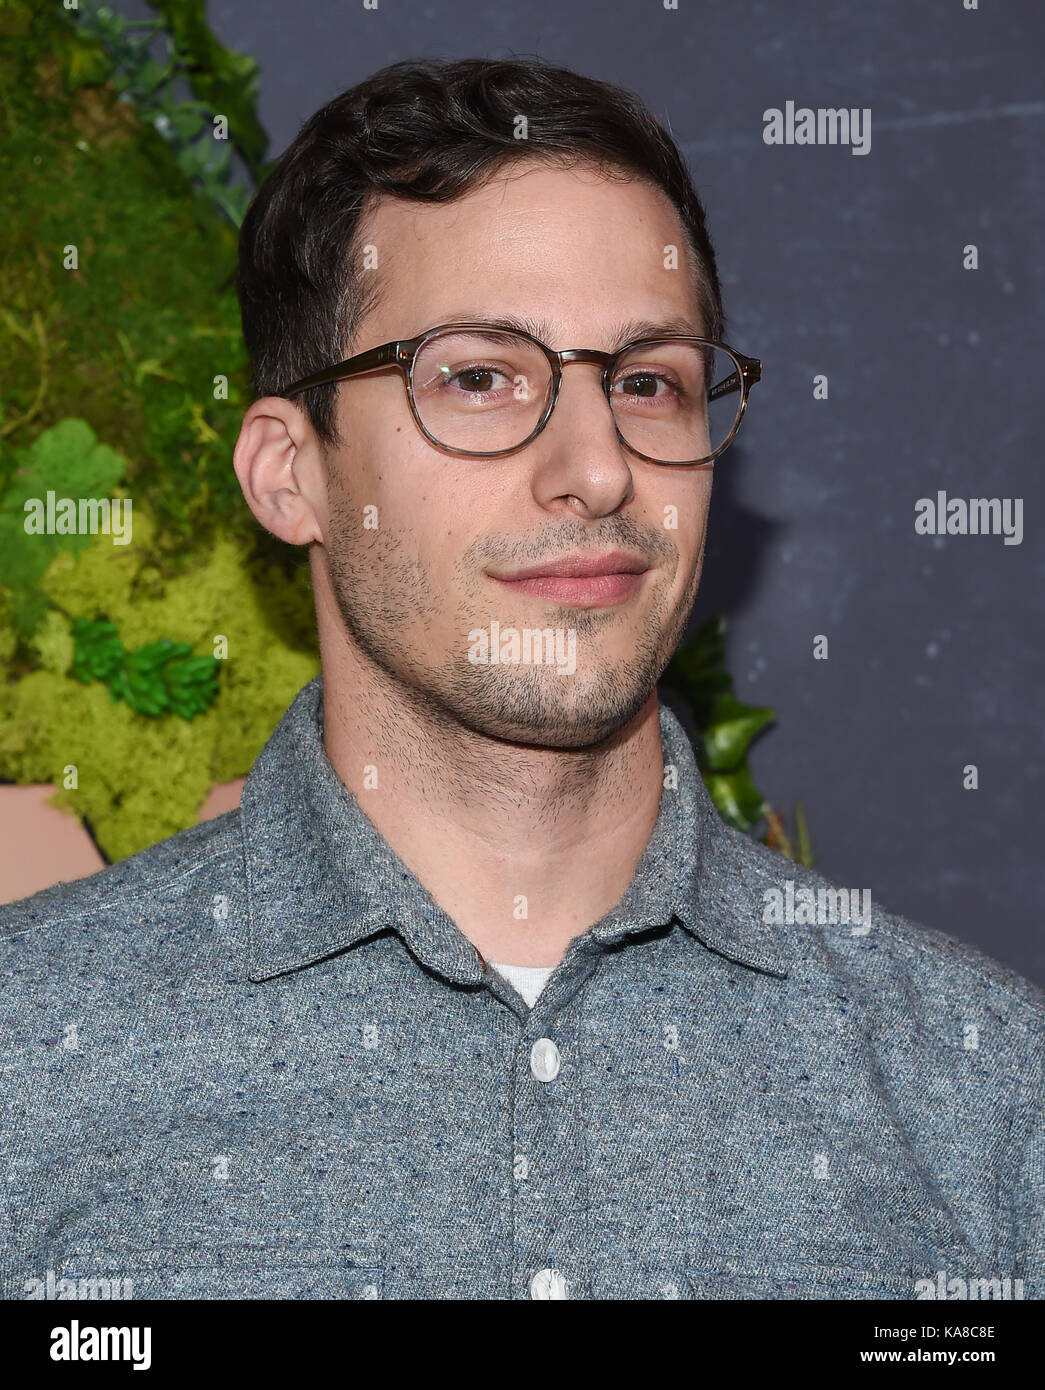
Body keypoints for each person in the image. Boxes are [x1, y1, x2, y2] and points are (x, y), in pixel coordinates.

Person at [2, 56, 1041, 1303]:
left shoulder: (978, 1093)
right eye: (480, 377)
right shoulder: (31, 1054)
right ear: (290, 474)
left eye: (647, 381)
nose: (597, 469)